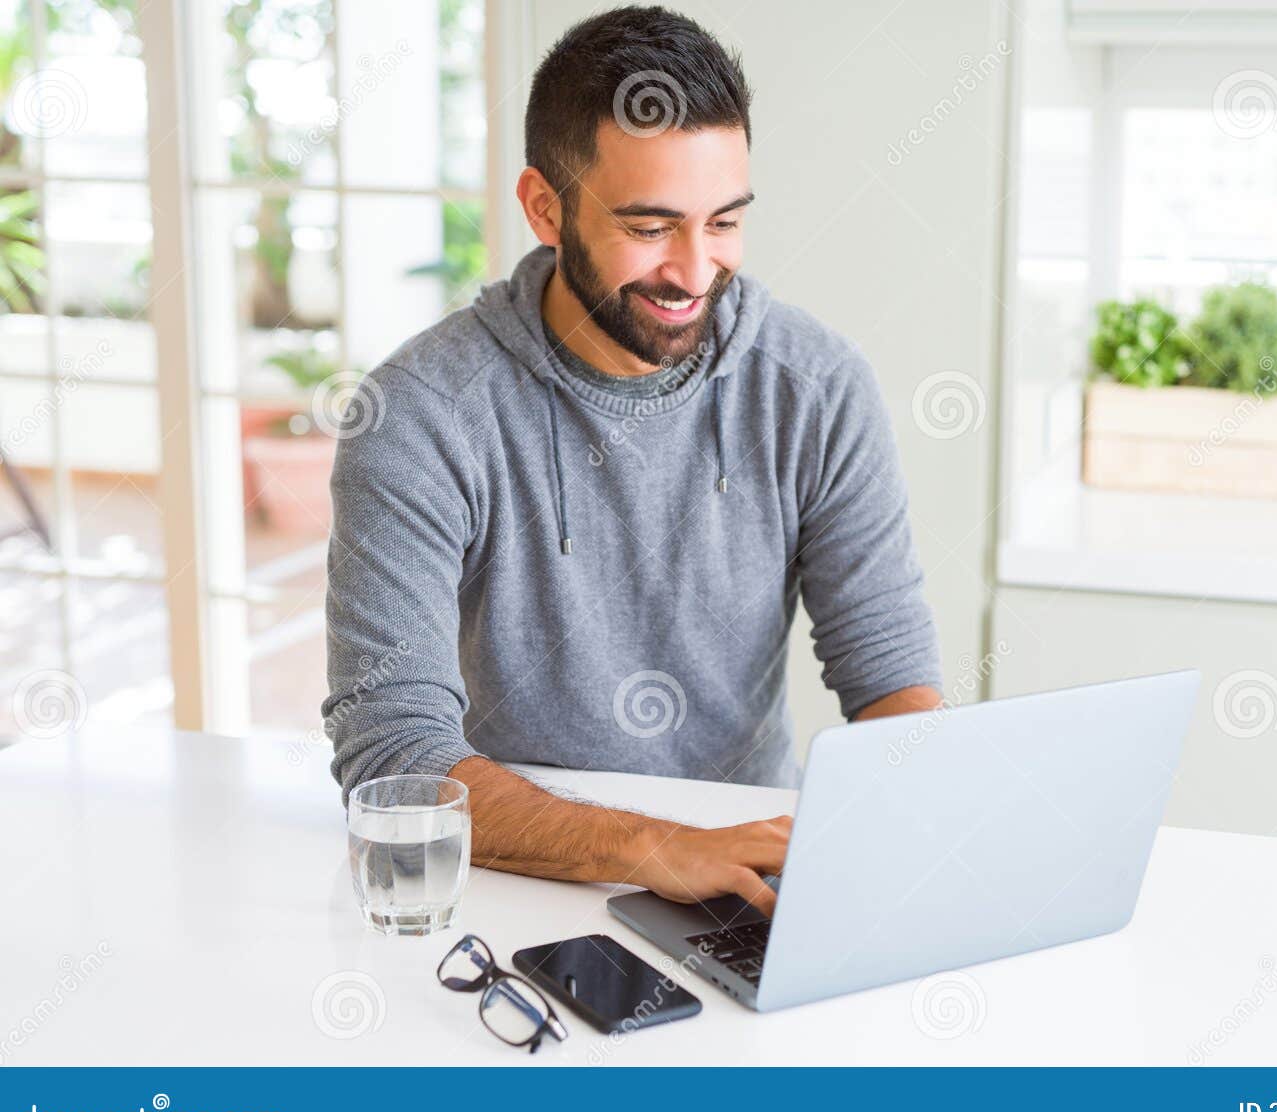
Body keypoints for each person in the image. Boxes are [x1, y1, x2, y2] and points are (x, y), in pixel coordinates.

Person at [322, 6, 942, 917]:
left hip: (747, 876)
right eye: (651, 228)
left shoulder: (817, 387)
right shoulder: (420, 414)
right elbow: (397, 758)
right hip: (516, 880)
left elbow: (889, 678)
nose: (694, 272)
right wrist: (653, 848)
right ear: (545, 207)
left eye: (723, 222)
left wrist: (927, 817)